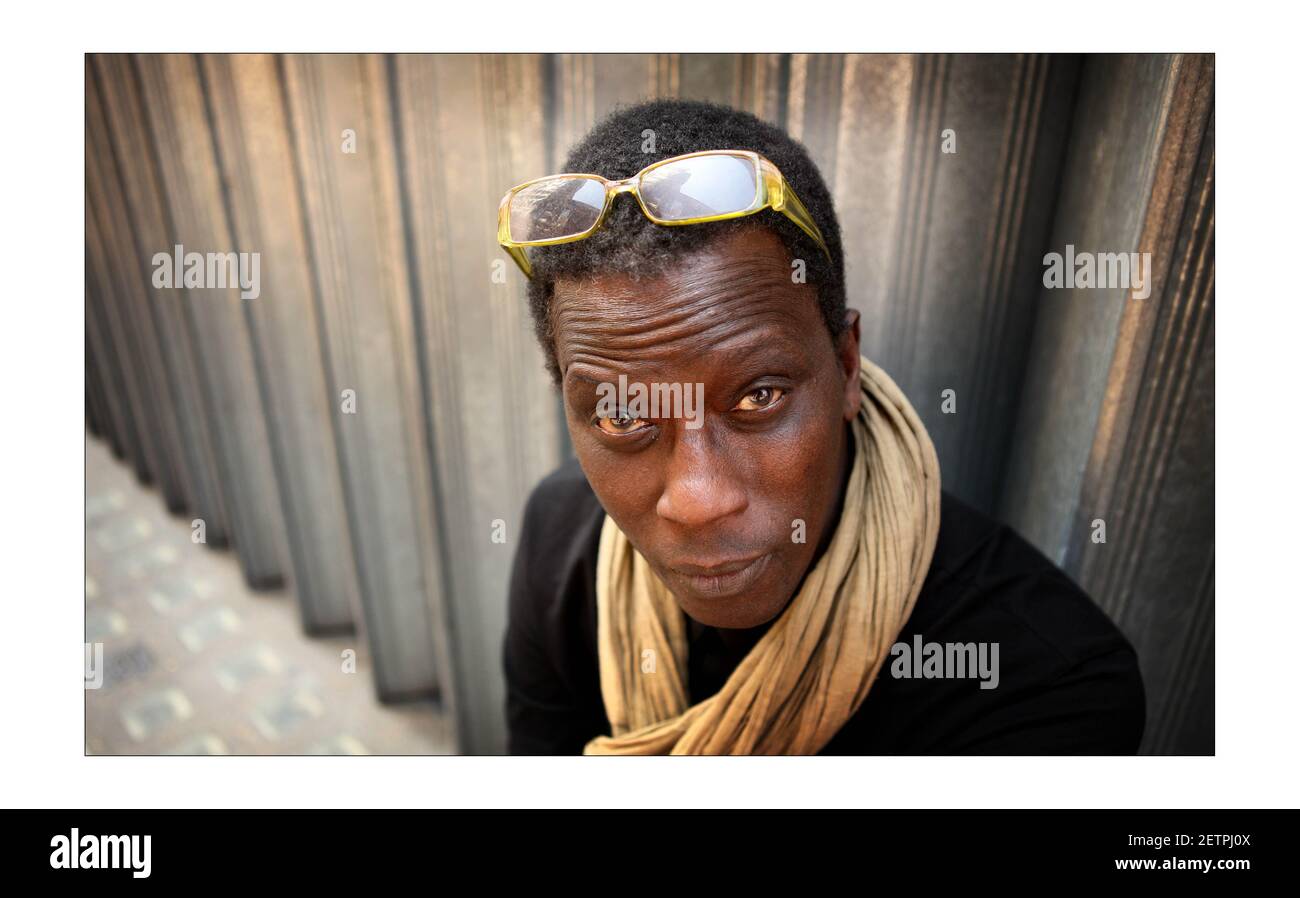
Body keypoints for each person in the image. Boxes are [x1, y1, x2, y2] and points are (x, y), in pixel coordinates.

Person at [499, 98, 1144, 755]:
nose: (698, 499)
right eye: (624, 413)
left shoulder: (1043, 685)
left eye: (758, 397)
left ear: (846, 364)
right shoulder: (559, 549)